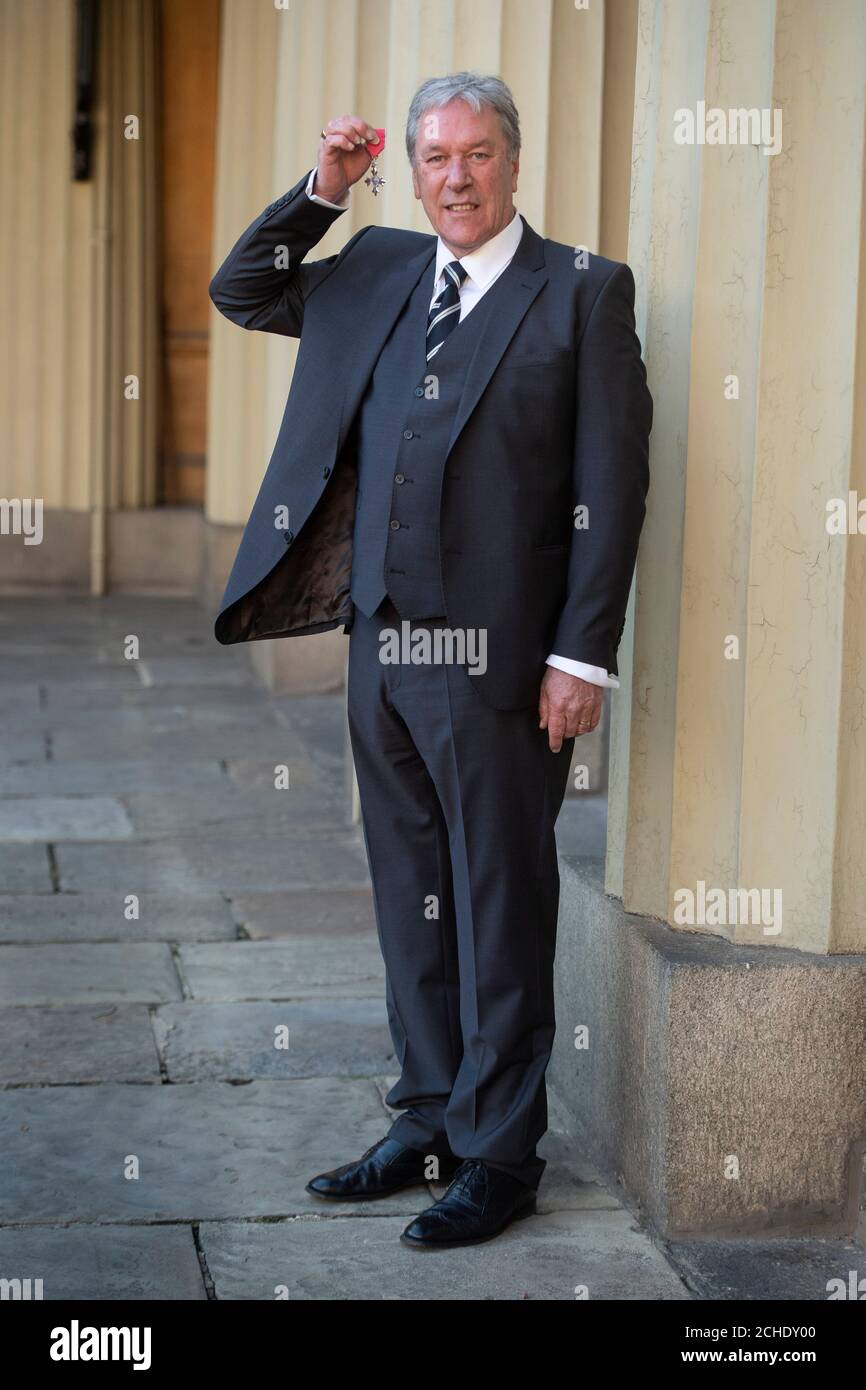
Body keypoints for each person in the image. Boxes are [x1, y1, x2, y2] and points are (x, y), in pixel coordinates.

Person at [209, 72, 652, 1249]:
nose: (455, 178)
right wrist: (322, 193)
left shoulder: (580, 296)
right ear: (409, 170)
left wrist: (580, 658)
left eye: (477, 155)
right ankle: (426, 1117)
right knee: (411, 894)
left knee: (500, 901)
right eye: (434, 159)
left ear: (513, 162)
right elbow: (242, 289)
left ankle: (502, 1152)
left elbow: (611, 491)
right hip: (385, 641)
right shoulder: (379, 272)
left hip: (502, 659)